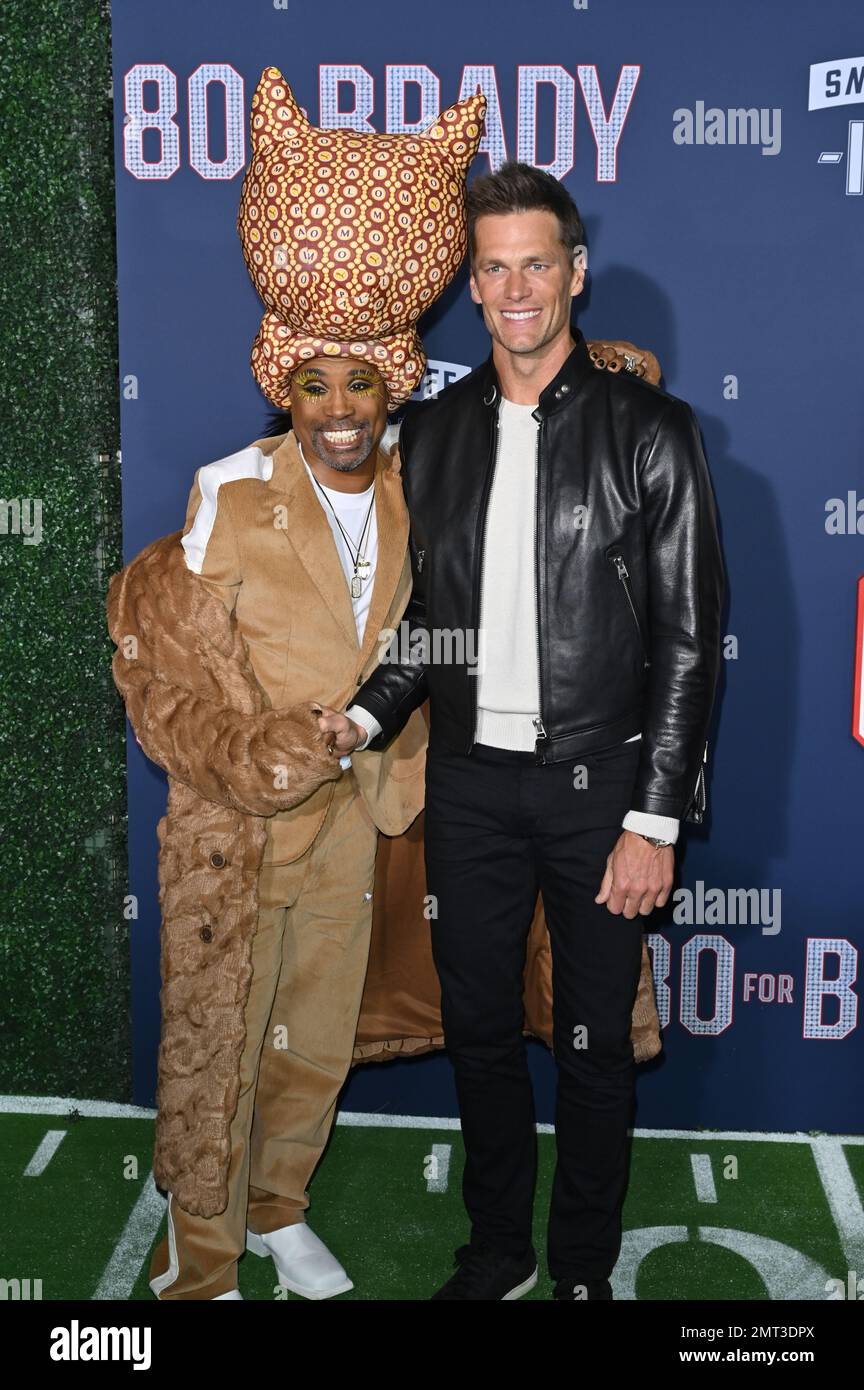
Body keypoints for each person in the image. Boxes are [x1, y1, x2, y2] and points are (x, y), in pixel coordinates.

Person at [106, 67, 486, 1300]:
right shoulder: (227, 491)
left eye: (358, 384)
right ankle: (202, 1261)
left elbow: (445, 620)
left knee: (311, 1044)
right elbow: (167, 660)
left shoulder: (426, 488)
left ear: (393, 386)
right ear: (289, 385)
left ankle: (278, 1207)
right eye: (315, 384)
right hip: (242, 831)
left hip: (361, 820)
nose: (337, 409)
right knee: (219, 1044)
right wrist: (252, 746)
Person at [318, 160, 725, 1300]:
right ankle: (497, 1251)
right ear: (473, 285)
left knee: (594, 1046)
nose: (514, 289)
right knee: (482, 1031)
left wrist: (655, 817)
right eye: (492, 268)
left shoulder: (653, 430)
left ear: (575, 274)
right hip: (470, 790)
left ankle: (584, 1272)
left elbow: (692, 641)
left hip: (605, 795)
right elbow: (425, 625)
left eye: (535, 263)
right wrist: (358, 716)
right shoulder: (434, 433)